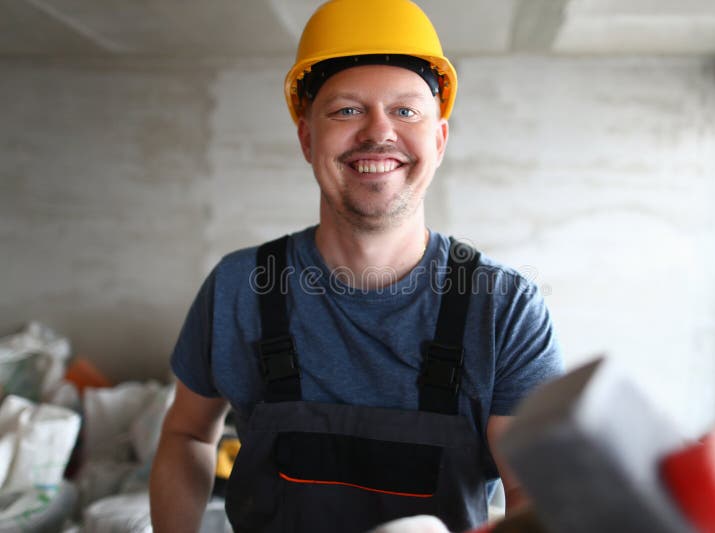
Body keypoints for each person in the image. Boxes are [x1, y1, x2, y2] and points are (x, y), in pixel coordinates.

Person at [149, 0, 563, 531]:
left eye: (406, 111)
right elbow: (186, 435)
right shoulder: (240, 288)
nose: (377, 133)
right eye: (346, 110)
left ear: (438, 141)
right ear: (306, 139)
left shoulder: (503, 309)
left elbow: (532, 490)